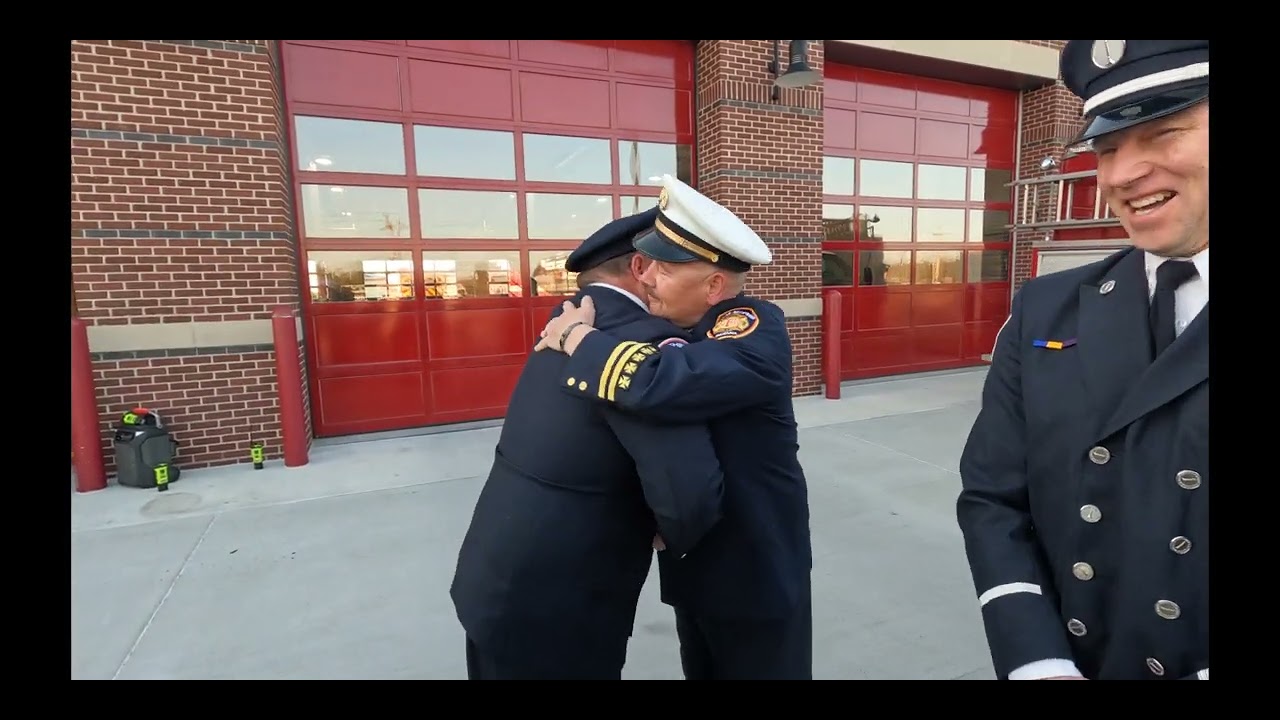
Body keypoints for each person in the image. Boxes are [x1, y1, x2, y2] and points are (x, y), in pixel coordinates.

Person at [955, 40, 1209, 681]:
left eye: (1162, 133)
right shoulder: (1047, 308)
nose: (1121, 175)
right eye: (1107, 148)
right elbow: (995, 499)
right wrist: (1036, 661)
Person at [535, 174, 812, 681]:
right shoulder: (688, 330)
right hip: (701, 563)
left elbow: (666, 382)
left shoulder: (752, 324)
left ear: (713, 285)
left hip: (754, 564)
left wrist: (579, 338)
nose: (649, 278)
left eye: (665, 268)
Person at [449, 207, 727, 680]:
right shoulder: (646, 343)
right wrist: (673, 531)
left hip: (497, 578)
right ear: (643, 269)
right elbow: (688, 493)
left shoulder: (569, 321)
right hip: (563, 599)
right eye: (671, 265)